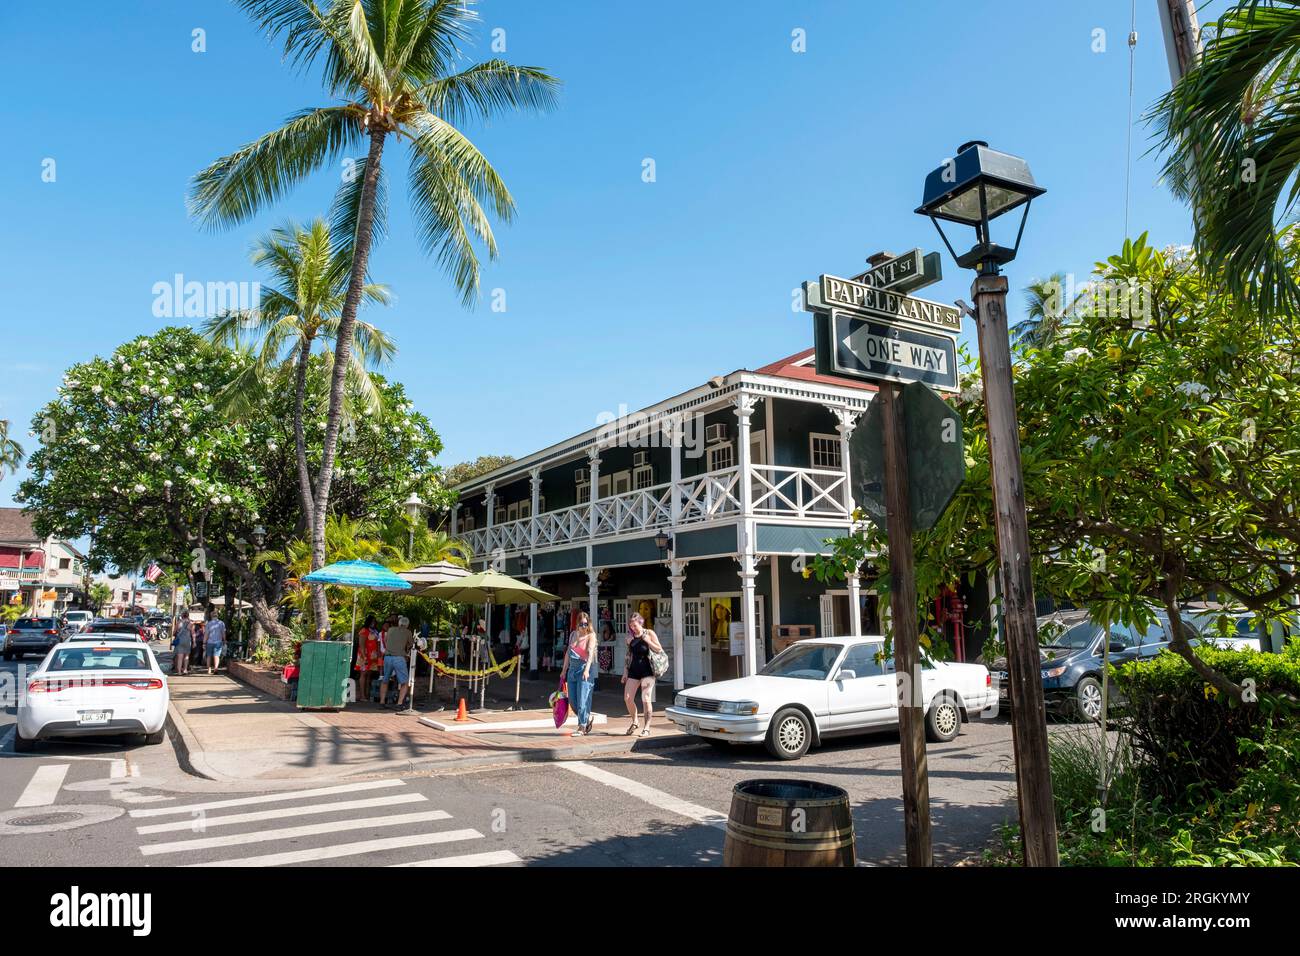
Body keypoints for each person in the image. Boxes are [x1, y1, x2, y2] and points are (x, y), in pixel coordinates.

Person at [622, 612, 664, 737]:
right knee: (628, 698)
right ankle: (635, 721)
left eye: (634, 625)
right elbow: (628, 655)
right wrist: (625, 672)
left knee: (646, 699)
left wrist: (648, 641)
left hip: (648, 671)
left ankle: (646, 728)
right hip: (634, 670)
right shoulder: (630, 637)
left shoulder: (649, 633)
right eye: (631, 626)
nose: (632, 628)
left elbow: (659, 649)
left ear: (641, 623)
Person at [564, 612, 598, 737]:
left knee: (583, 701)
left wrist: (587, 670)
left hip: (584, 669)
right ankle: (586, 720)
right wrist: (564, 670)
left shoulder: (591, 636)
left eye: (586, 624)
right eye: (581, 624)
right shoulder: (573, 635)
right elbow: (568, 653)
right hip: (572, 670)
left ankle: (582, 726)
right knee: (573, 701)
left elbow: (590, 655)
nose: (584, 627)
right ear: (577, 624)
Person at [379, 615, 414, 710]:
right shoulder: (408, 632)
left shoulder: (390, 630)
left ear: (399, 623)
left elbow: (386, 641)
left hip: (387, 657)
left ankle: (382, 702)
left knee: (385, 680)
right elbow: (411, 645)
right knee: (404, 682)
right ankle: (399, 704)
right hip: (399, 657)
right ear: (407, 625)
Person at [356, 615, 381, 704]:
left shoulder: (375, 631)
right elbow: (361, 645)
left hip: (372, 657)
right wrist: (364, 656)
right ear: (368, 621)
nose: (373, 623)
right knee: (363, 674)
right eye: (372, 621)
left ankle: (366, 694)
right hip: (364, 656)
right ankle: (362, 695)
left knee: (369, 675)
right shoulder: (364, 631)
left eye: (374, 621)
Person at [203, 610, 226, 675]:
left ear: (211, 616)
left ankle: (209, 669)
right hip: (218, 642)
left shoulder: (209, 624)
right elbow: (223, 633)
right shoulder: (221, 623)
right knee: (216, 656)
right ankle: (215, 669)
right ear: (217, 615)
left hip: (209, 642)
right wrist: (224, 640)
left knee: (209, 656)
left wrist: (204, 643)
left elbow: (206, 634)